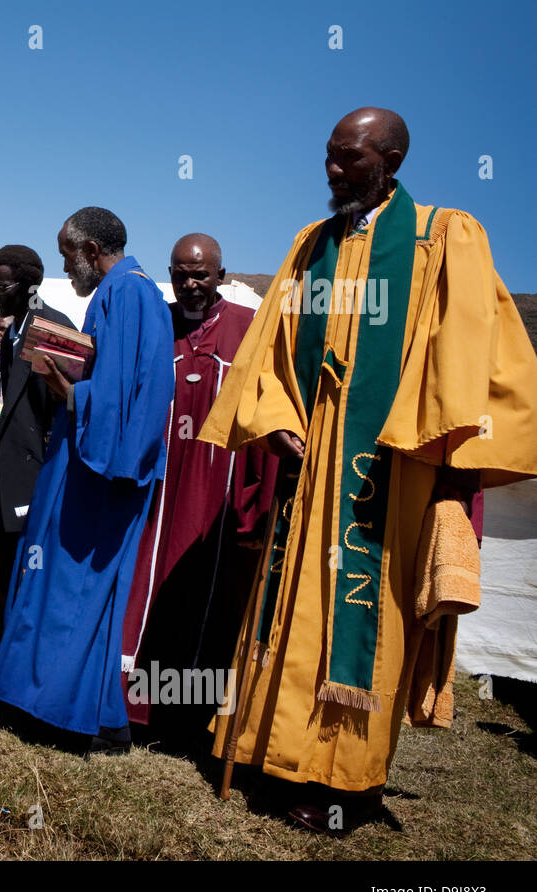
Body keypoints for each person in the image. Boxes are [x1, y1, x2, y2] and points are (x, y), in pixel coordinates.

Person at [199, 107, 537, 833]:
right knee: (286, 611)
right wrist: (279, 417)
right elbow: (269, 352)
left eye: (348, 158)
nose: (332, 171)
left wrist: (442, 451)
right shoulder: (308, 246)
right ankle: (271, 754)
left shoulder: (442, 237)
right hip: (309, 464)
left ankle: (341, 785)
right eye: (327, 155)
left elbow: (479, 352)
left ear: (390, 159)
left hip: (388, 474)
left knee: (367, 619)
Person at [0, 208, 173, 755]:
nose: (65, 267)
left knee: (77, 589)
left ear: (91, 250)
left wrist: (62, 382)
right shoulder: (121, 292)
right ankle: (95, 714)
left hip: (100, 468)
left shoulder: (129, 295)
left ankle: (64, 710)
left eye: (68, 254)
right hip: (87, 454)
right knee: (68, 586)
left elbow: (122, 396)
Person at [120, 233, 277, 746]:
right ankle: (133, 710)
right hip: (156, 489)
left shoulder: (247, 330)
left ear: (221, 276)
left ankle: (186, 720)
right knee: (142, 590)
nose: (189, 284)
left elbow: (265, 416)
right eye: (180, 273)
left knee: (203, 595)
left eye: (200, 274)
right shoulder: (155, 324)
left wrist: (254, 499)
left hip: (215, 487)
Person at [0, 245, 73, 674]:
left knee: (24, 557)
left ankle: (17, 650)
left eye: (2, 285)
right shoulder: (13, 330)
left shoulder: (52, 327)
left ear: (29, 286)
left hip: (41, 465)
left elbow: (64, 401)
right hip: (12, 464)